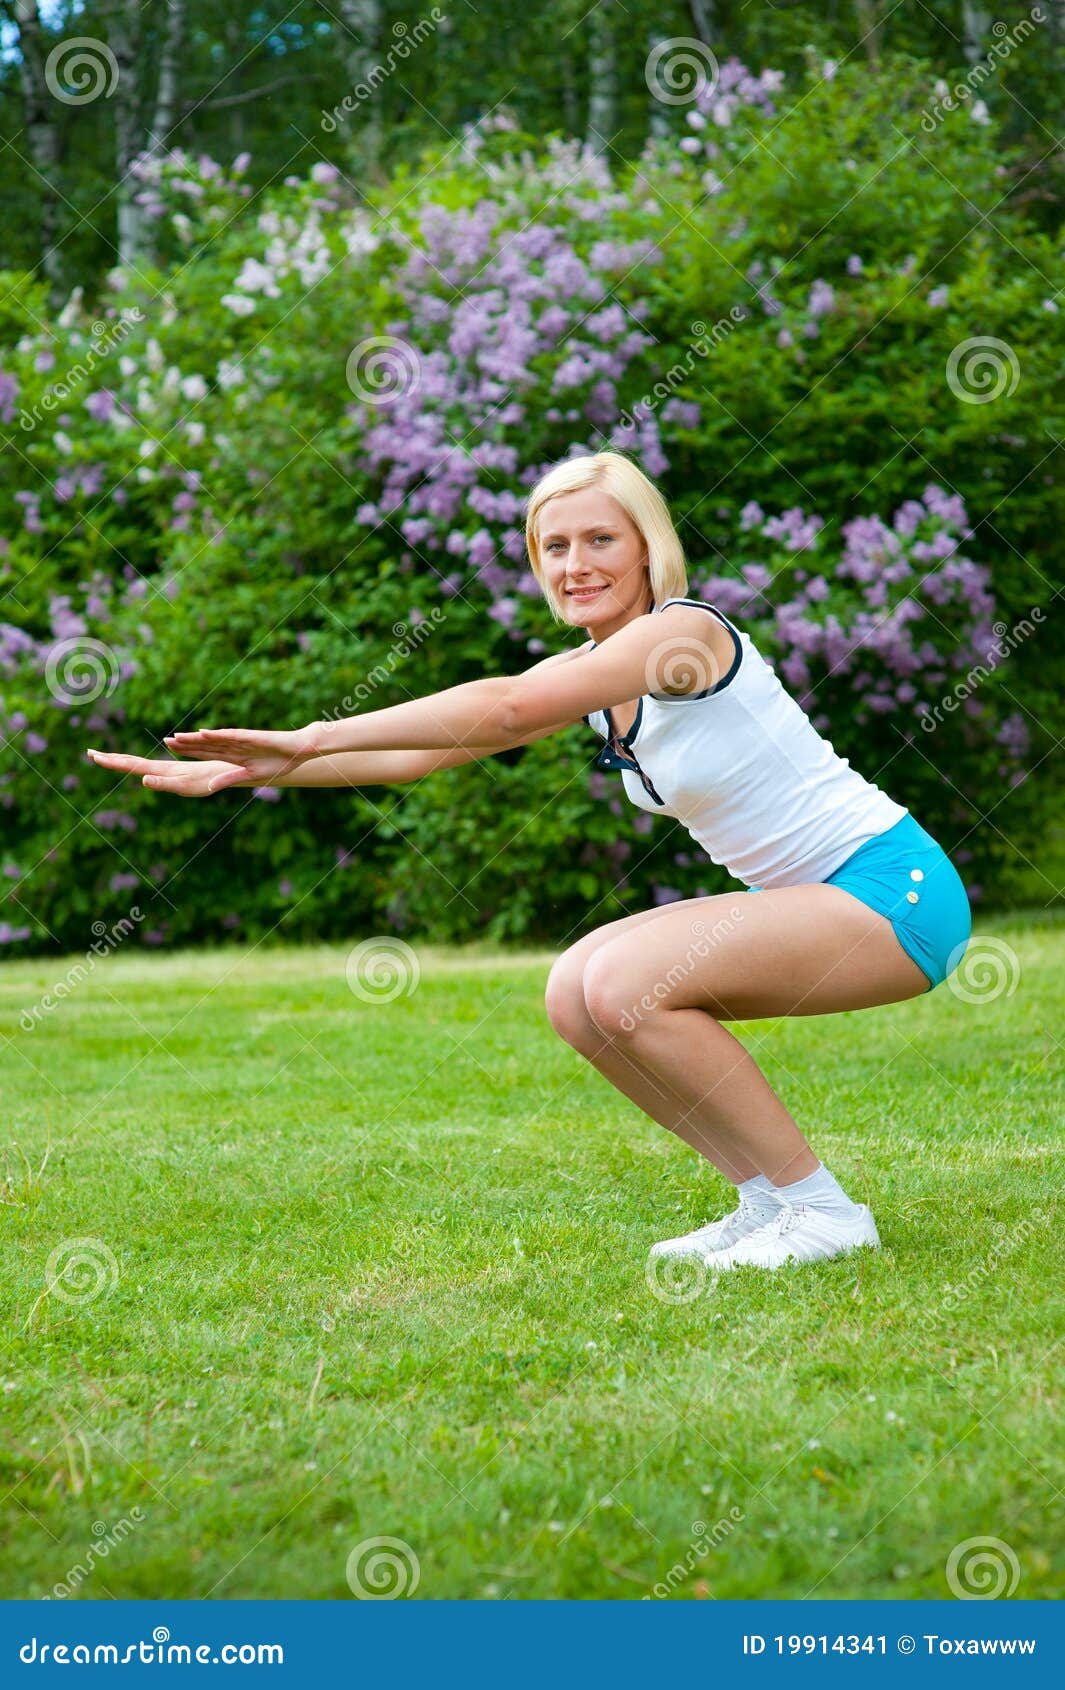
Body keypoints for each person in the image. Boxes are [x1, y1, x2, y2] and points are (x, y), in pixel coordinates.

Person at [87, 450, 973, 1272]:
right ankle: (767, 1199)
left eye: (600, 540)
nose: (575, 564)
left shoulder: (685, 635)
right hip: (824, 905)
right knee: (575, 996)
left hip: (893, 893)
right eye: (554, 546)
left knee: (623, 982)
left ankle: (823, 1212)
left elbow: (509, 707)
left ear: (646, 547)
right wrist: (260, 768)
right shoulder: (597, 677)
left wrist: (313, 732)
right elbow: (424, 755)